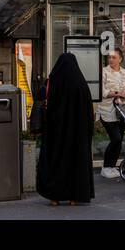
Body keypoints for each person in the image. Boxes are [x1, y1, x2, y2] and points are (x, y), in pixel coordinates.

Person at [37, 52, 95, 206]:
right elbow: (89, 112)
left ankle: (54, 197)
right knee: (75, 163)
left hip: (55, 134)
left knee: (55, 162)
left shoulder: (52, 82)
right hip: (77, 136)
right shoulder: (81, 85)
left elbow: (41, 97)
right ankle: (74, 197)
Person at [98, 47, 125, 179]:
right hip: (107, 110)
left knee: (119, 141)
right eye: (109, 57)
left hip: (122, 111)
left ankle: (112, 167)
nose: (111, 59)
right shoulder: (103, 72)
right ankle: (106, 166)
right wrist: (117, 93)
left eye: (114, 57)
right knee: (116, 138)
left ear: (120, 59)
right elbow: (101, 92)